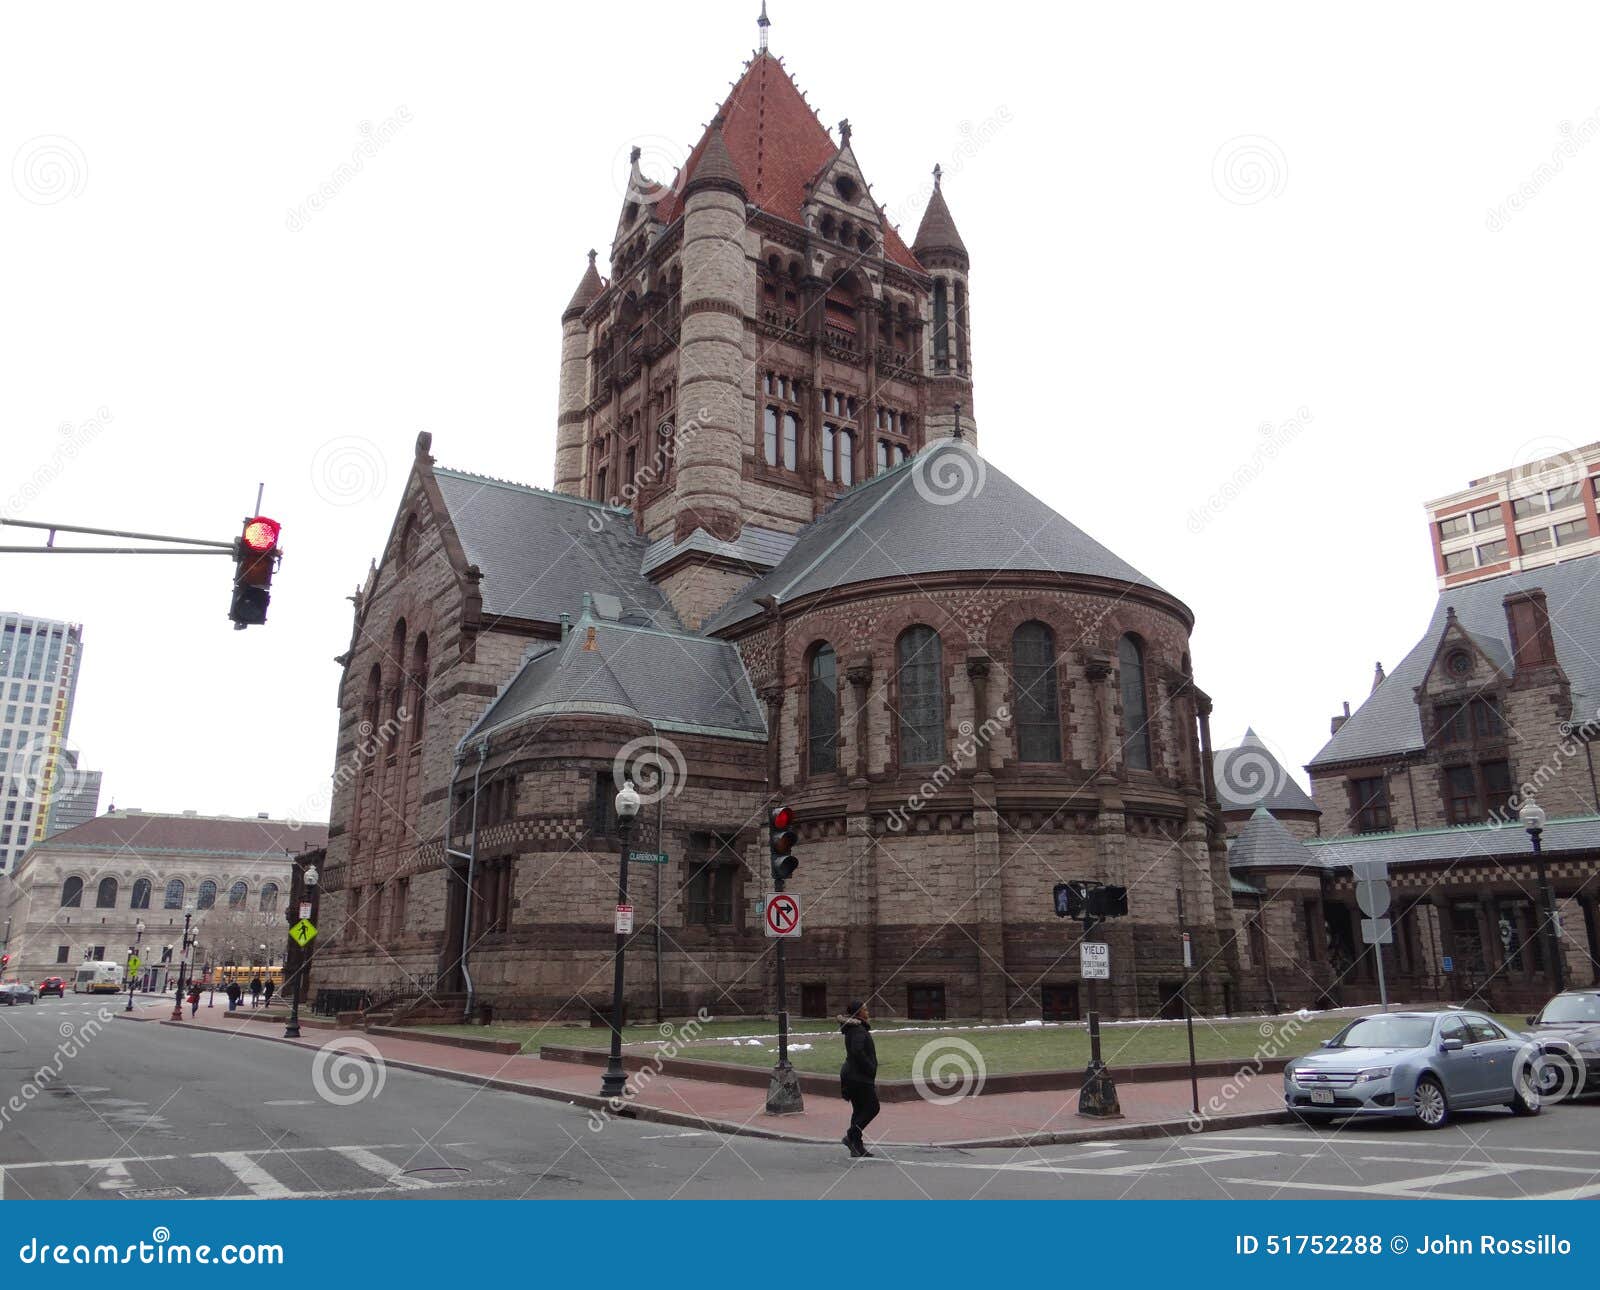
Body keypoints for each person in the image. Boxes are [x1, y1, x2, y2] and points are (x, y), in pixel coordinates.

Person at [838, 999, 879, 1158]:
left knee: (859, 1110)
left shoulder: (854, 1028)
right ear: (858, 1013)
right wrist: (870, 1067)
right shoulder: (858, 1030)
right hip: (858, 1077)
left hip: (852, 1075)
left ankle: (857, 1145)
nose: (867, 1012)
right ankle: (851, 1136)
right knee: (872, 1108)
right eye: (865, 1009)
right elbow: (857, 1052)